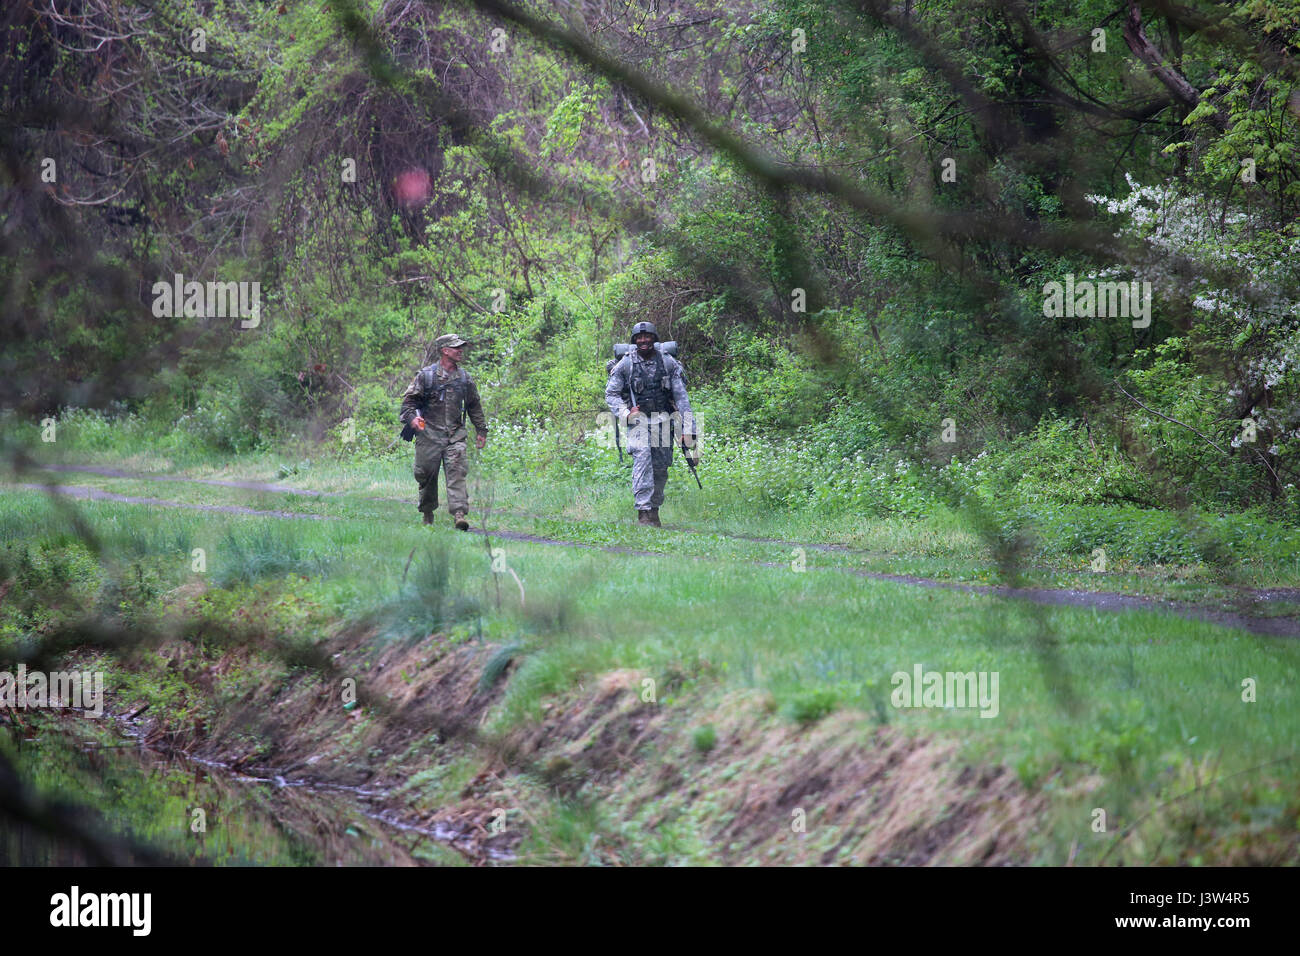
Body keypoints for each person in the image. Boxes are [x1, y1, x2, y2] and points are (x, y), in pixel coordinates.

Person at [605, 321, 698, 527]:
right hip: (638, 421)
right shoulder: (626, 364)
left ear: (654, 339)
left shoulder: (668, 363)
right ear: (634, 341)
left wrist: (689, 430)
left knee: (660, 467)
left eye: (647, 337)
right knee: (643, 458)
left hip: (663, 420)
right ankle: (643, 513)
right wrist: (626, 413)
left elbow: (682, 398)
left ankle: (654, 510)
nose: (643, 341)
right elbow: (611, 394)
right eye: (639, 337)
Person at [399, 333, 488, 530]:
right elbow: (407, 405)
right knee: (427, 475)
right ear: (444, 351)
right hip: (428, 435)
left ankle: (459, 515)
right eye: (456, 348)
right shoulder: (426, 376)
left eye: (461, 347)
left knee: (457, 474)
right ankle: (428, 515)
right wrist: (413, 419)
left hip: (455, 437)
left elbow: (474, 406)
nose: (460, 351)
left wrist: (481, 430)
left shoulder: (465, 379)